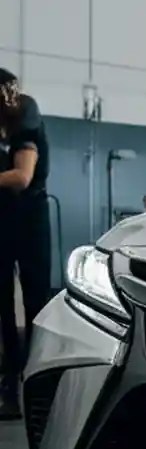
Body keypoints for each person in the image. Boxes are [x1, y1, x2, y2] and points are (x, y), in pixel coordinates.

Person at [0, 68, 53, 420]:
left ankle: (40, 384)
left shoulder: (25, 113)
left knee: (37, 302)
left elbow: (22, 176)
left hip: (30, 216)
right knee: (2, 303)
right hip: (2, 218)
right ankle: (9, 386)